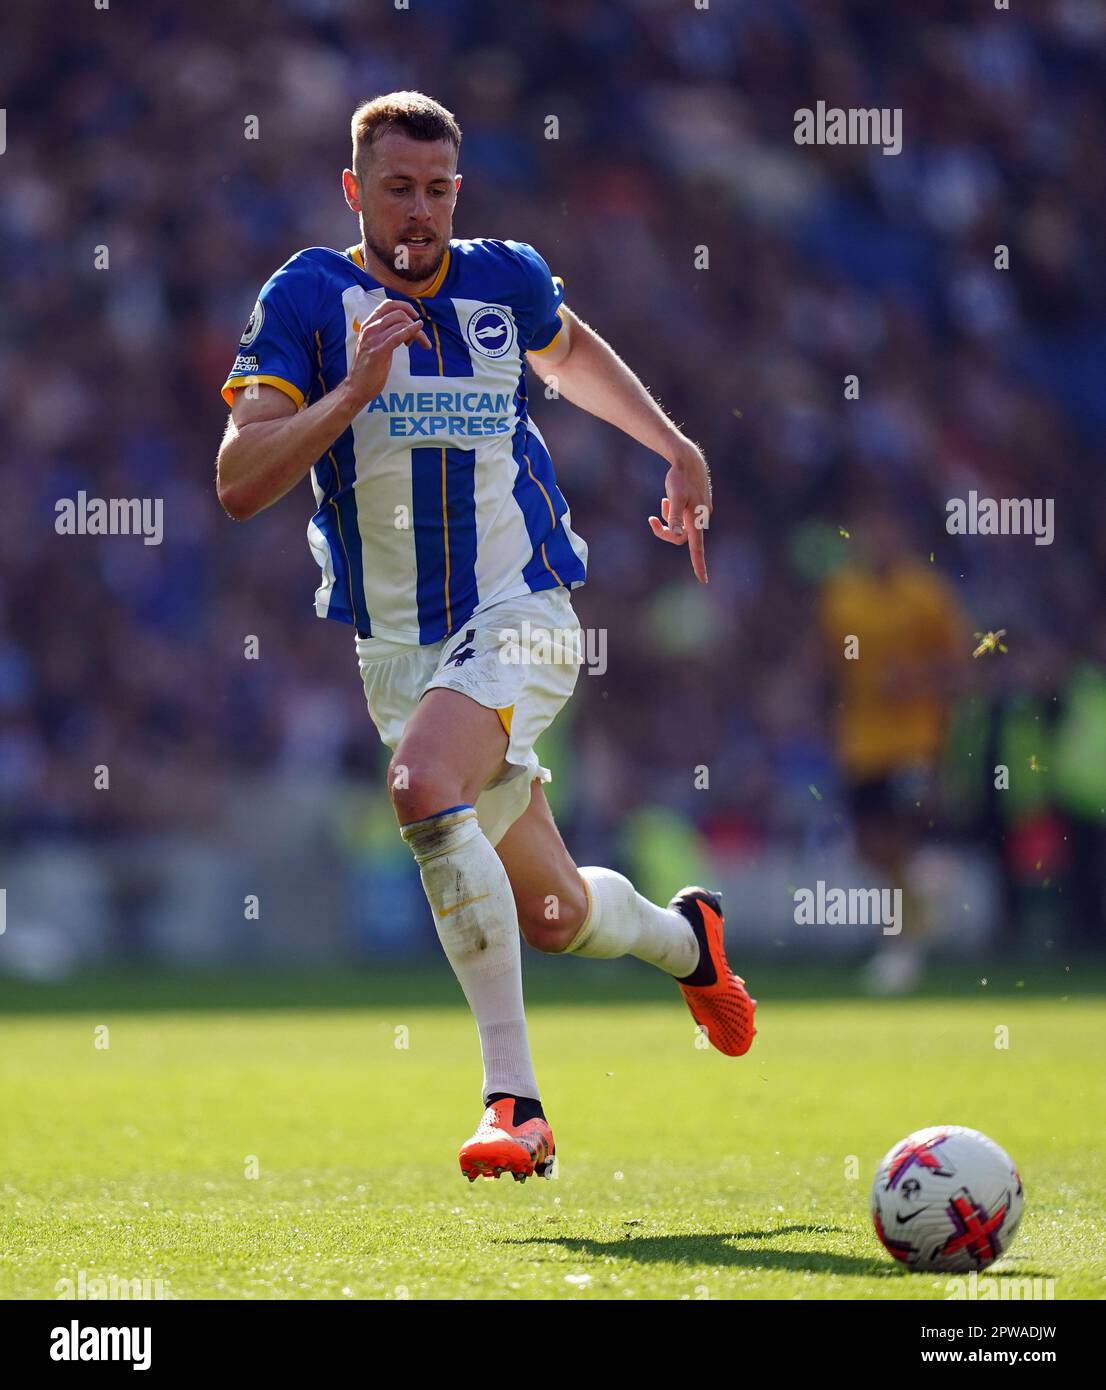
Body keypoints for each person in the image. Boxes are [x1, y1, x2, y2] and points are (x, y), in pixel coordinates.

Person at [215, 91, 755, 1182]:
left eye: (438, 190)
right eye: (398, 189)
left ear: (459, 190)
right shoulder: (310, 299)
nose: (419, 212)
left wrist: (672, 442)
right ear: (352, 190)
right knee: (552, 914)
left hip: (523, 610)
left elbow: (568, 352)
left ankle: (514, 1103)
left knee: (421, 784)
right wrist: (353, 390)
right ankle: (687, 942)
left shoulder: (503, 277)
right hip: (397, 651)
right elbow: (238, 479)